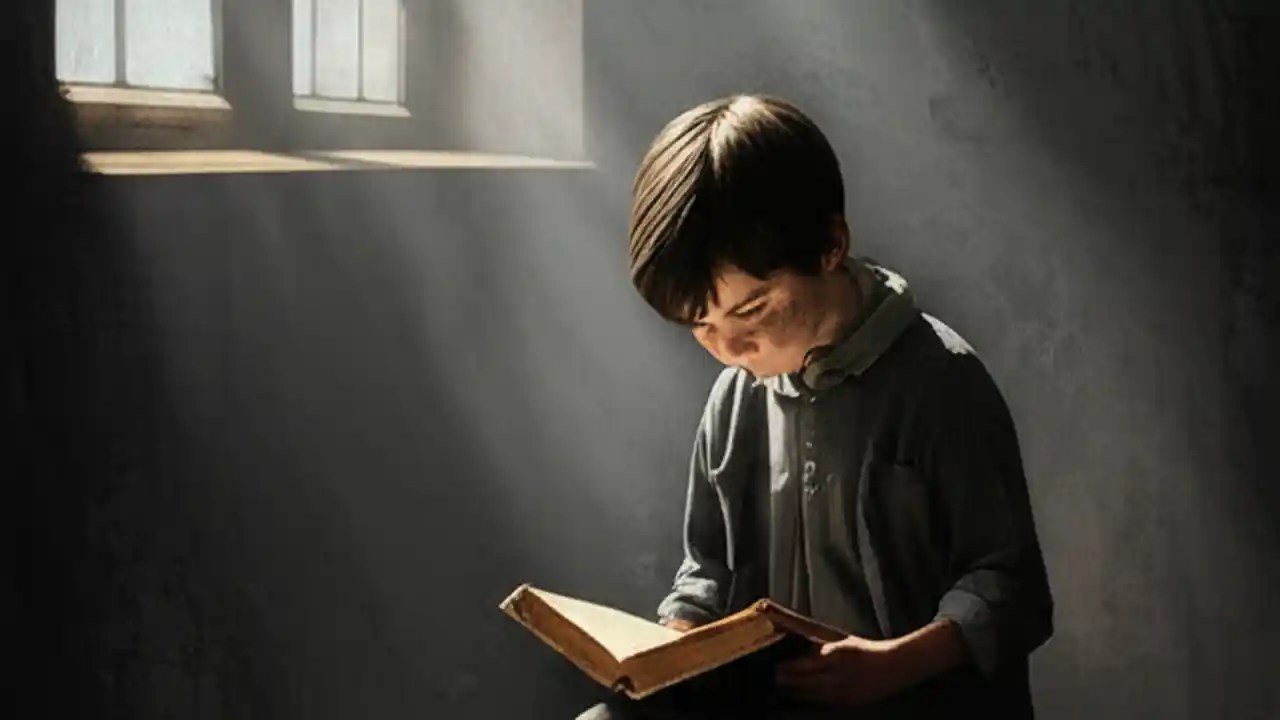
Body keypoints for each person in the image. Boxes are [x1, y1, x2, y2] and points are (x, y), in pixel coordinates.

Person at [578, 94, 1053, 719]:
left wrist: (892, 665)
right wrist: (674, 642)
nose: (729, 348)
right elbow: (708, 568)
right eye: (700, 325)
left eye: (752, 310)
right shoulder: (736, 399)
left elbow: (1011, 586)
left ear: (830, 246)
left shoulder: (941, 384)